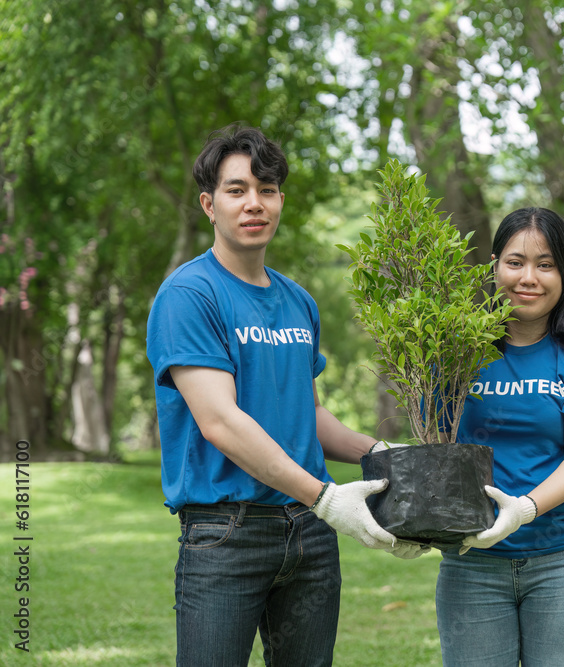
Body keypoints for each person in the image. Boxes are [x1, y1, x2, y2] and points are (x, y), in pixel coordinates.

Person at [146, 124, 424, 667]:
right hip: (225, 535)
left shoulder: (298, 302)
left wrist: (384, 455)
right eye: (237, 190)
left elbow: (309, 413)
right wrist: (324, 495)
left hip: (311, 537)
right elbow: (220, 422)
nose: (254, 203)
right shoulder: (189, 295)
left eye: (267, 189)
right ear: (209, 204)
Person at [434, 207, 564, 666]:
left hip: (563, 560)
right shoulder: (458, 353)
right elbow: (436, 446)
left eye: (546, 264)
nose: (528, 277)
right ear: (493, 267)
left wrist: (525, 509)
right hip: (473, 560)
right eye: (515, 262)